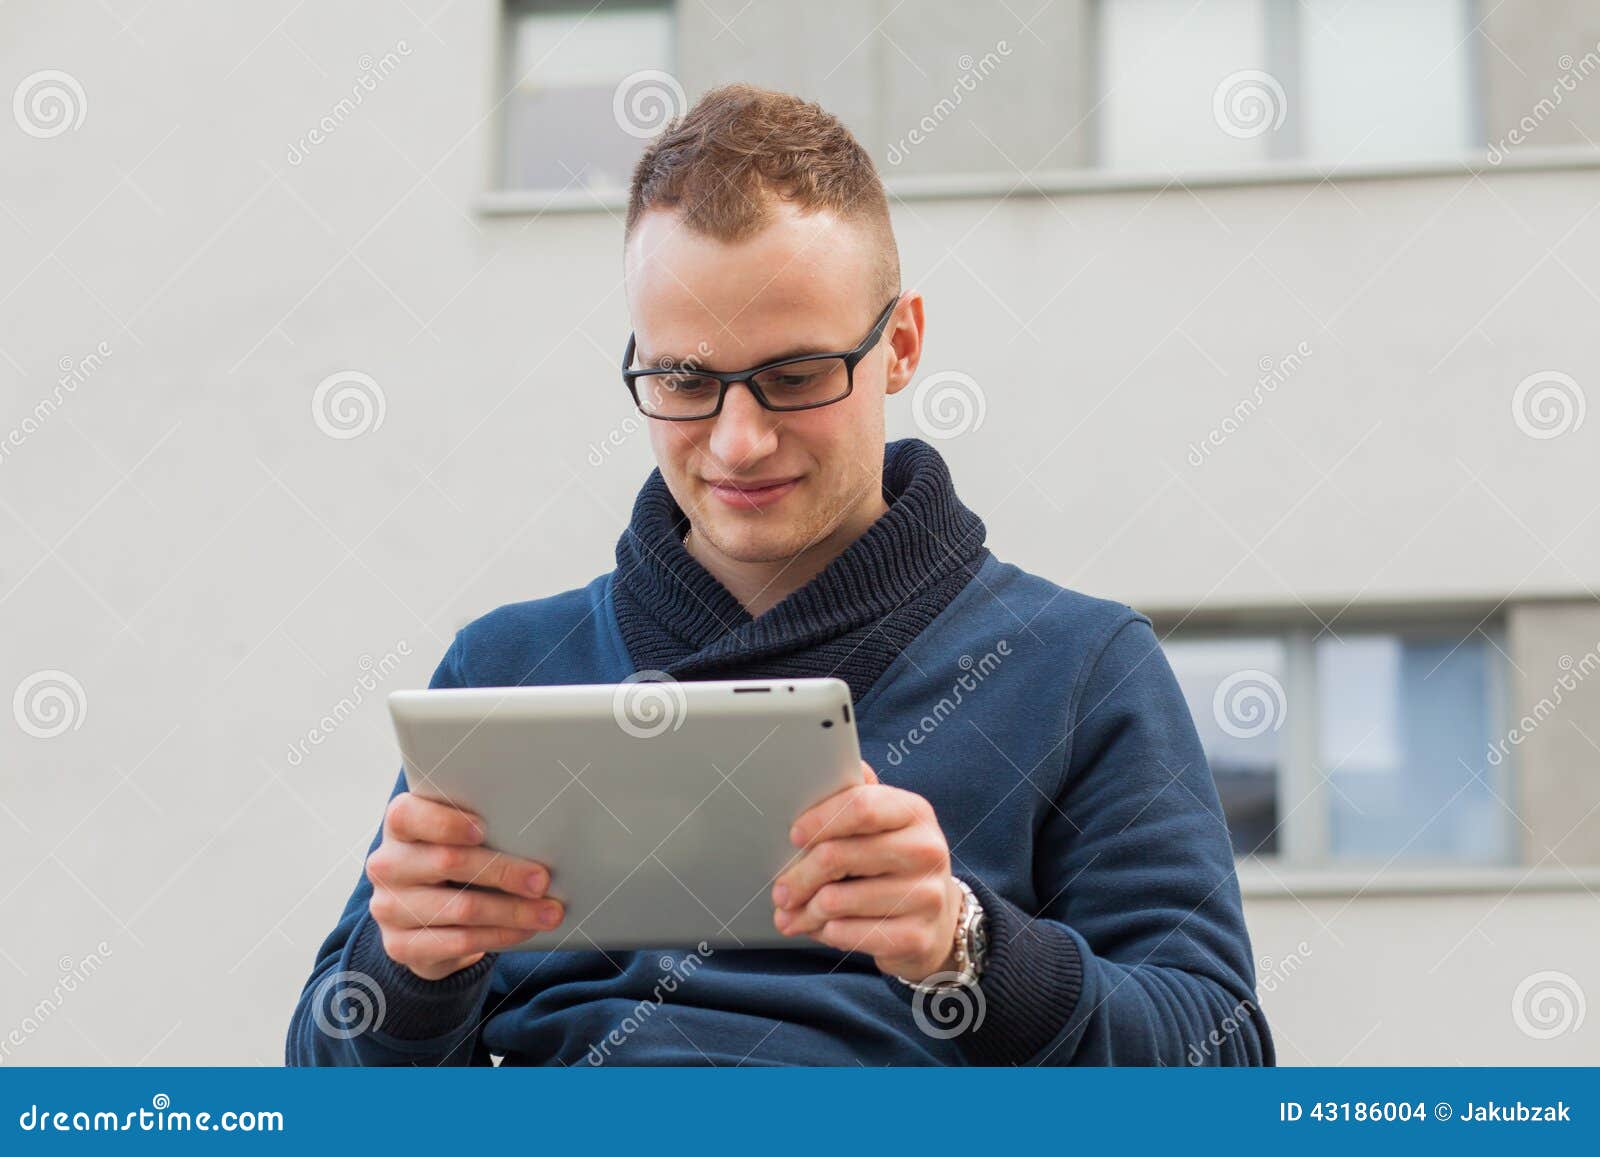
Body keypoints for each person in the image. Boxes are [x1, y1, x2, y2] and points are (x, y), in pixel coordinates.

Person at [286, 83, 1274, 1067]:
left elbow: (1220, 1061)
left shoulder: (1076, 666)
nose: (740, 440)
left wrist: (969, 945)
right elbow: (320, 1082)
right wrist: (413, 965)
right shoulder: (508, 666)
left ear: (902, 344)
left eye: (796, 376)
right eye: (684, 381)